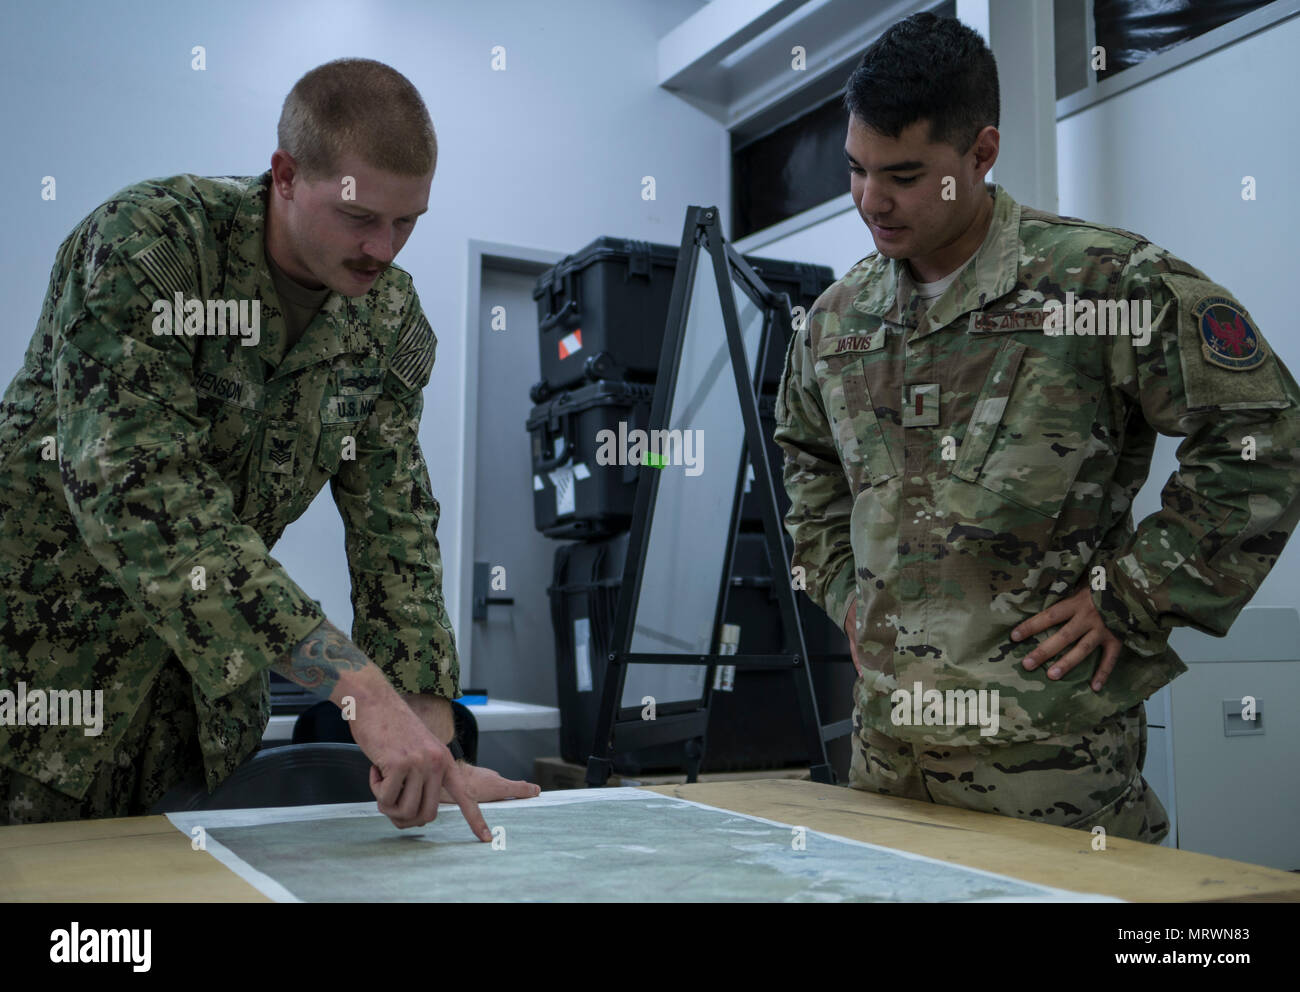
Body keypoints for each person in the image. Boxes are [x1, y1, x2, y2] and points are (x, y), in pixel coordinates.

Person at [774, 13, 1300, 843]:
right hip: (885, 760)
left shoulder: (1100, 284)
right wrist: (844, 592)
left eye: (904, 175)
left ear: (980, 155)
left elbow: (1266, 436)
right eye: (857, 170)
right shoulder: (838, 322)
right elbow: (804, 463)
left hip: (1051, 768)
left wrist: (1136, 595)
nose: (871, 200)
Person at [0, 58, 537, 832]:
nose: (384, 249)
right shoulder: (156, 244)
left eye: (408, 221)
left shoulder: (387, 320)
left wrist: (427, 736)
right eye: (360, 218)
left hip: (185, 719)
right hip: (37, 686)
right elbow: (140, 495)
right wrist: (359, 687)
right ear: (285, 175)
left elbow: (397, 532)